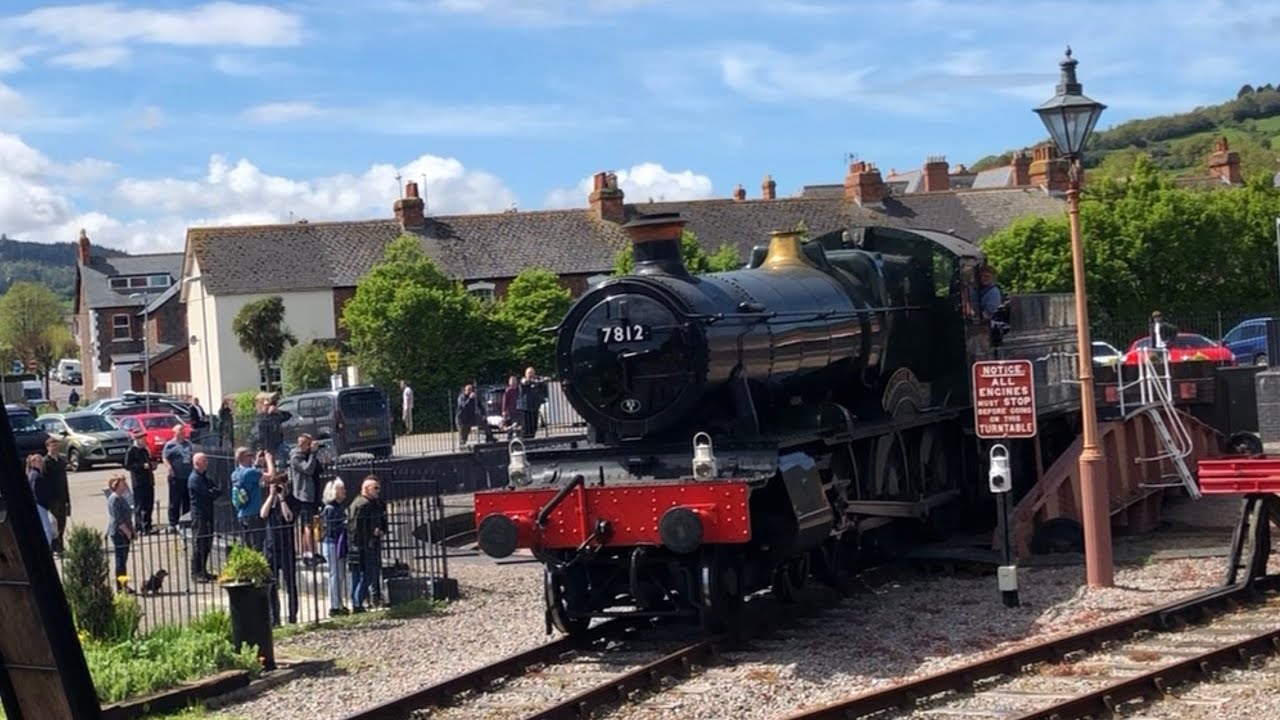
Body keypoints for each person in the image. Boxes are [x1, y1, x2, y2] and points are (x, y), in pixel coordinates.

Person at [260, 475, 300, 626]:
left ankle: (292, 616)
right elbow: (263, 514)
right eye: (274, 485)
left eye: (279, 485)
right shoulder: (270, 501)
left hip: (286, 548)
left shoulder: (291, 501)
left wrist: (282, 499)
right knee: (271, 585)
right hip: (271, 548)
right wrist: (271, 496)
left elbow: (289, 517)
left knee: (290, 584)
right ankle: (274, 618)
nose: (276, 488)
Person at [347, 475, 386, 613]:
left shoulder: (373, 504)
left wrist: (380, 530)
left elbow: (381, 521)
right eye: (375, 488)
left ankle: (358, 602)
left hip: (364, 544)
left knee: (359, 575)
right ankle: (358, 602)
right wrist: (372, 533)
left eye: (378, 488)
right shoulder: (362, 505)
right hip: (363, 545)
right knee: (366, 574)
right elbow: (357, 527)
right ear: (366, 489)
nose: (378, 491)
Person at [288, 434, 322, 565]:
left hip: (314, 493)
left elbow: (317, 468)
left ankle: (312, 551)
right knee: (307, 524)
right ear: (302, 445)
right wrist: (312, 454)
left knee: (313, 522)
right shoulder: (295, 456)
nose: (310, 447)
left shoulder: (308, 454)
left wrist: (314, 454)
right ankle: (309, 553)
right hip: (304, 495)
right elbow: (307, 469)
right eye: (308, 444)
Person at [231, 447, 271, 551]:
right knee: (258, 546)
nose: (252, 457)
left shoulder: (235, 474)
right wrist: (269, 460)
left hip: (242, 514)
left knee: (248, 546)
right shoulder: (249, 472)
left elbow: (253, 474)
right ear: (244, 457)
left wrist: (257, 463)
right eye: (250, 455)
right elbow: (270, 476)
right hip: (254, 514)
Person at [188, 452, 219, 583]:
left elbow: (216, 490)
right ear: (197, 463)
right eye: (204, 461)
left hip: (208, 513)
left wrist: (213, 492)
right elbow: (207, 494)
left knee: (207, 543)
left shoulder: (204, 477)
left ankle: (203, 570)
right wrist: (212, 492)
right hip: (199, 515)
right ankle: (196, 572)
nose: (207, 463)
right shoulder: (194, 478)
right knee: (199, 543)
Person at [321, 479, 349, 616]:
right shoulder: (330, 508)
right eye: (341, 488)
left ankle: (339, 602)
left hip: (338, 543)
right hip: (332, 543)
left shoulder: (339, 507)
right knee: (335, 574)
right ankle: (334, 605)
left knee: (340, 575)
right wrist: (344, 524)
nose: (344, 491)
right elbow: (330, 528)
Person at [105, 474, 135, 593]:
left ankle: (124, 584)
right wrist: (127, 532)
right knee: (120, 560)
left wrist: (132, 530)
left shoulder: (121, 497)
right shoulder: (114, 499)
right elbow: (118, 519)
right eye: (122, 482)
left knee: (124, 560)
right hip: (118, 533)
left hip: (126, 531)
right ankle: (120, 587)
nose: (125, 484)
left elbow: (127, 516)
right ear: (116, 485)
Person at [162, 424, 193, 531]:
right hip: (176, 477)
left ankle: (186, 522)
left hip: (187, 476)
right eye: (180, 431)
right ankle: (173, 523)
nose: (183, 433)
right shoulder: (170, 445)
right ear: (175, 433)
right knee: (174, 501)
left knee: (187, 500)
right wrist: (169, 468)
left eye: (183, 431)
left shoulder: (188, 444)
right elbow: (165, 458)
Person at [124, 431, 156, 534]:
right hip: (139, 482)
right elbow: (128, 466)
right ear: (137, 439)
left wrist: (152, 465)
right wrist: (142, 466)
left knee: (149, 504)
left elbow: (149, 461)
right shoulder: (132, 451)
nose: (144, 441)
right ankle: (139, 527)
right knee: (140, 505)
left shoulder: (145, 450)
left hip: (148, 481)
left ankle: (148, 525)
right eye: (142, 439)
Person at [43, 437, 70, 554]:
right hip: (52, 499)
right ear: (48, 447)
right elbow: (45, 482)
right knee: (54, 524)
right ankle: (56, 547)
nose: (55, 449)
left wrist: (67, 498)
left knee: (62, 523)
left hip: (62, 497)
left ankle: (60, 545)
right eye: (53, 446)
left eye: (57, 446)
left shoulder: (61, 461)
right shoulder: (46, 462)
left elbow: (64, 482)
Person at [26, 454, 54, 546]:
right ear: (33, 463)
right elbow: (34, 491)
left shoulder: (36, 474)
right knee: (47, 527)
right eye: (39, 461)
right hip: (40, 504)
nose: (41, 463)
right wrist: (42, 502)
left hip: (41, 504)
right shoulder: (35, 475)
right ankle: (47, 546)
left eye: (41, 461)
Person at [517, 367, 545, 439]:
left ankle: (531, 440)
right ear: (526, 374)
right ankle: (524, 442)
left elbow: (541, 388)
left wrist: (542, 380)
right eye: (529, 373)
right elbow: (524, 382)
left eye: (532, 373)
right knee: (526, 427)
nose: (531, 374)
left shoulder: (536, 382)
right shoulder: (523, 381)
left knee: (533, 427)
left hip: (534, 407)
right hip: (525, 408)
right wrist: (533, 381)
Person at [501, 375, 519, 439]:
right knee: (511, 424)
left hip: (517, 409)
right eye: (512, 381)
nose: (514, 382)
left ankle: (517, 436)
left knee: (517, 424)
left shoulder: (518, 390)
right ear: (509, 383)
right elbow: (504, 401)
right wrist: (504, 411)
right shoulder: (508, 391)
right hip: (510, 410)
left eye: (515, 381)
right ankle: (509, 437)